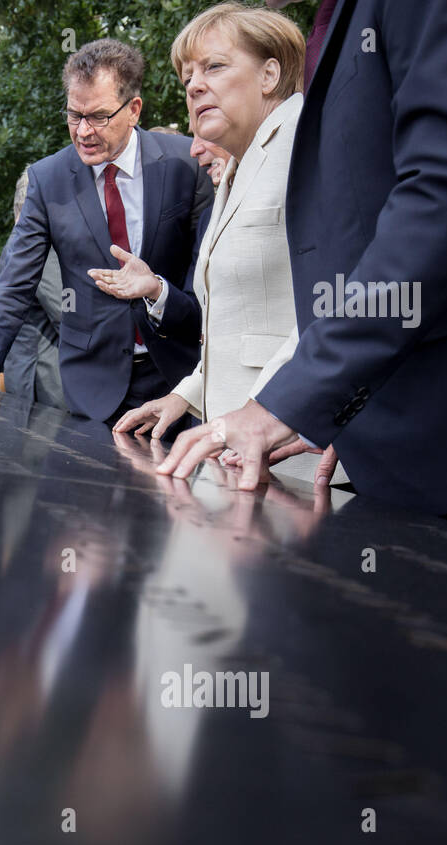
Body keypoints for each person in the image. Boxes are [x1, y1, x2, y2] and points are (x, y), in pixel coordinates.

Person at [159, 0, 447, 553]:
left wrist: (298, 400)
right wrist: (346, 415)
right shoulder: (339, 27)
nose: (196, 88)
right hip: (402, 448)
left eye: (213, 67)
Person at [0, 38, 212, 425]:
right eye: (74, 115)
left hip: (181, 381)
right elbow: (13, 286)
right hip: (93, 392)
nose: (84, 131)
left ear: (134, 109)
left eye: (99, 116)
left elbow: (206, 286)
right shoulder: (47, 179)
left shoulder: (186, 164)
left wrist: (158, 293)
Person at [111, 4, 343, 485]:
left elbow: (336, 305)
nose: (194, 85)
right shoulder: (236, 167)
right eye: (187, 76)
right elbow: (242, 328)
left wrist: (272, 412)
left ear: (270, 73)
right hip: (234, 454)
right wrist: (185, 396)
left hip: (295, 455)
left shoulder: (309, 143)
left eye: (214, 66)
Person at [0, 168, 68, 410]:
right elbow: (64, 312)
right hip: (47, 385)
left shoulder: (16, 244)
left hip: (32, 382)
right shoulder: (33, 245)